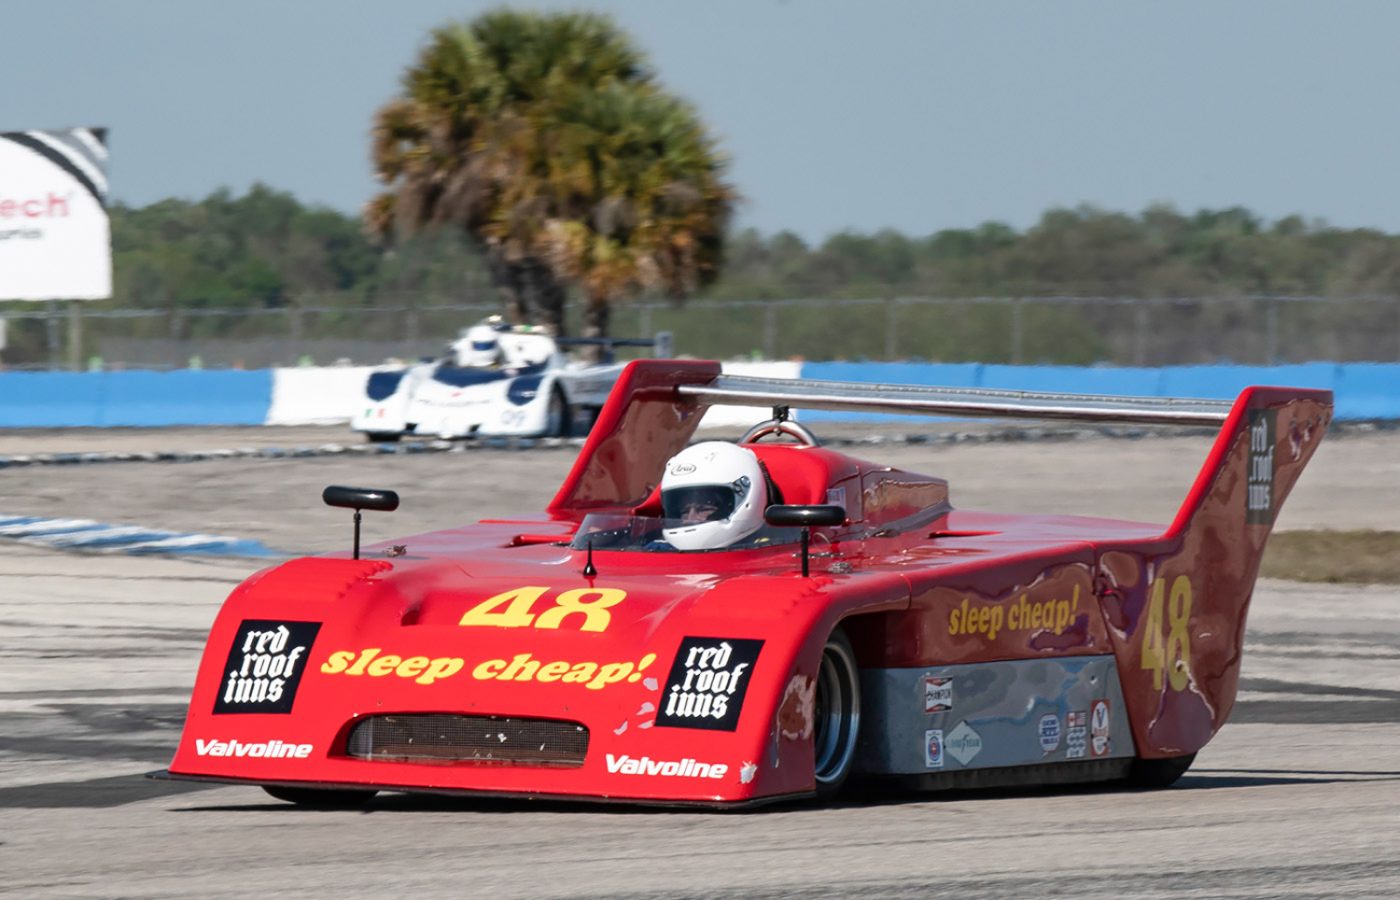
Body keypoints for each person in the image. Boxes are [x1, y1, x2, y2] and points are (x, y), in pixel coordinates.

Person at [660, 441, 769, 551]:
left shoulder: (770, 552)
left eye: (703, 509)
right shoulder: (658, 550)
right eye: (684, 511)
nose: (689, 519)